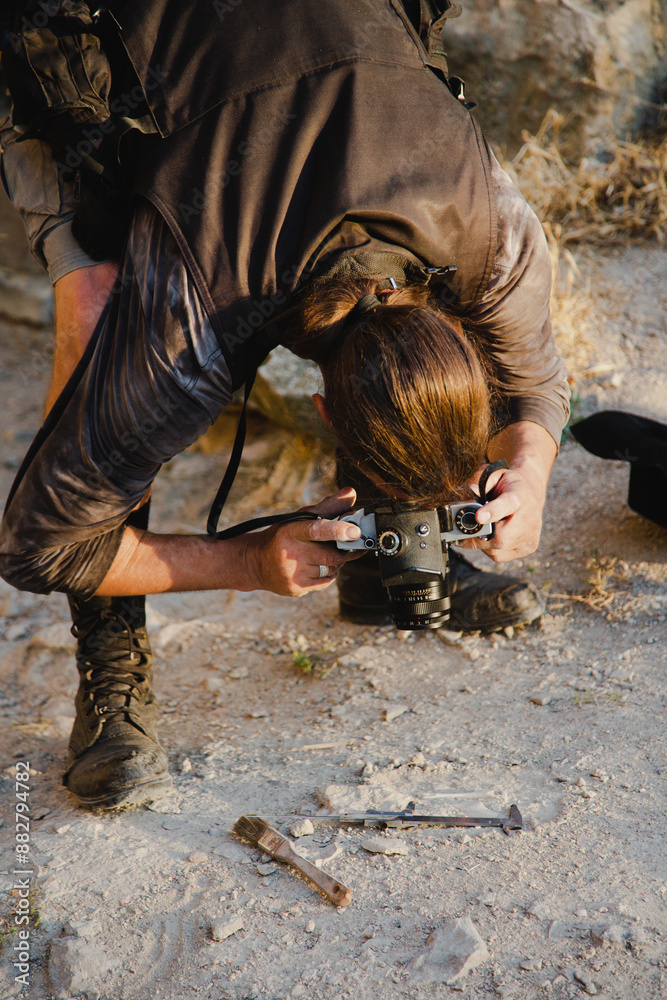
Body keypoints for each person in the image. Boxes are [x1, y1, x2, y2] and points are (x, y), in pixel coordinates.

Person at [0, 0, 570, 810]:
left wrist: (531, 470)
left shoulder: (487, 229)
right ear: (325, 416)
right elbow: (37, 546)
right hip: (91, 42)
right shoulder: (195, 317)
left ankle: (383, 561)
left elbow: (536, 380)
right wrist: (245, 563)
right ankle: (111, 669)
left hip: (286, 72)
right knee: (96, 309)